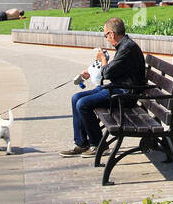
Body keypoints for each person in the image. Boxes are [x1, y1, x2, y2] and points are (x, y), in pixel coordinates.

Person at [61, 17, 146, 157]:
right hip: (118, 88)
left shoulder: (127, 48)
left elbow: (107, 73)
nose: (106, 38)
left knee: (83, 104)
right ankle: (81, 143)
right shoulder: (124, 46)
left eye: (106, 35)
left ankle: (98, 145)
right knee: (76, 98)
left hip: (125, 94)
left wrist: (103, 59)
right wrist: (91, 71)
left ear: (112, 34)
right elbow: (111, 72)